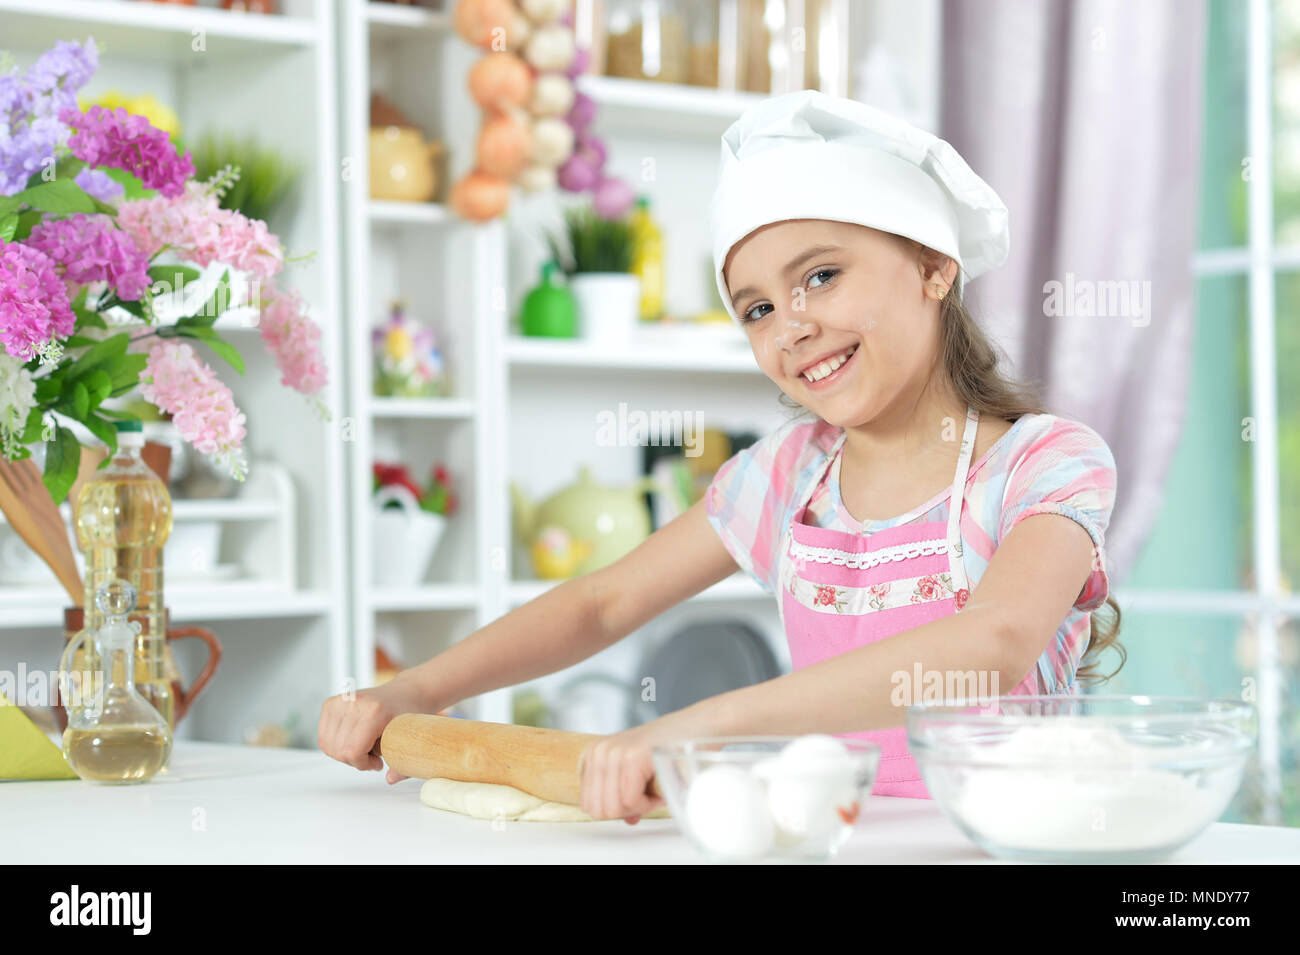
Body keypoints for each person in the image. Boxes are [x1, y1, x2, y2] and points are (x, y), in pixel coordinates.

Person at [318, 89, 1122, 824]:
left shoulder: (1044, 462)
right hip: (828, 840)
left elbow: (995, 639)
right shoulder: (788, 475)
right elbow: (603, 603)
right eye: (759, 308)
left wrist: (715, 721)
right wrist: (417, 688)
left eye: (823, 275)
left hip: (1007, 842)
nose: (792, 325)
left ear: (933, 267)